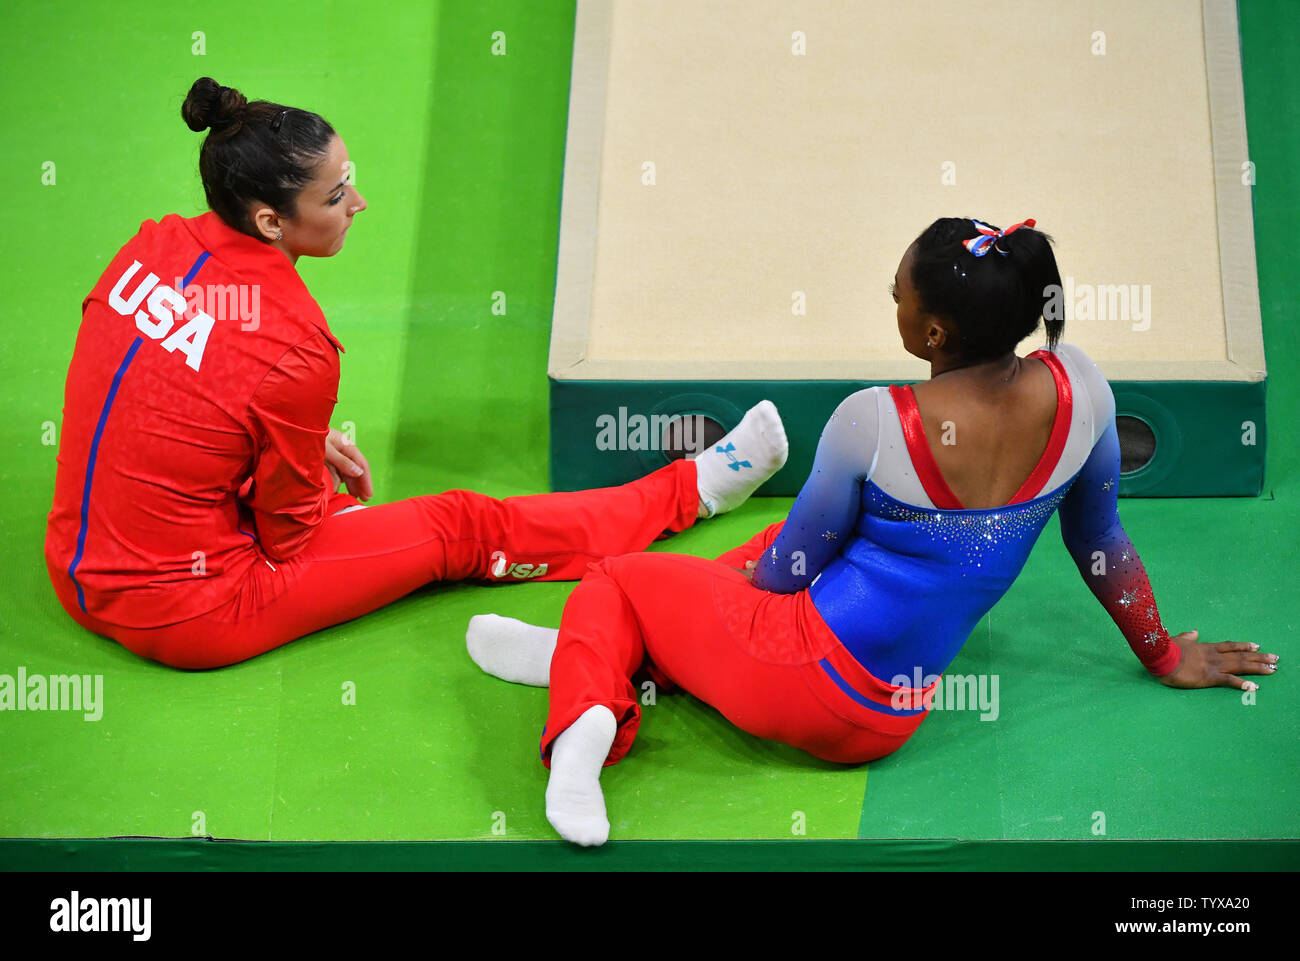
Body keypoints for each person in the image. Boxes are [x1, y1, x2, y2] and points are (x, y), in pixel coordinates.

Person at [467, 217, 1280, 847]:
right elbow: (1101, 542)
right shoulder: (1087, 392)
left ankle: (584, 723)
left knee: (619, 579)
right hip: (891, 711)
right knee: (728, 572)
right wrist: (1164, 651)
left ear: (932, 335)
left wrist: (724, 597)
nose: (891, 296)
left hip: (798, 676)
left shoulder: (874, 421)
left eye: (898, 292)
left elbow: (787, 573)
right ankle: (607, 648)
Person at [43, 77, 790, 670]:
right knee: (456, 525)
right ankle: (690, 492)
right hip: (191, 607)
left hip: (76, 564)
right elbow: (288, 534)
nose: (358, 204)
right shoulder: (296, 342)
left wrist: (284, 436)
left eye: (351, 181)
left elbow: (150, 386)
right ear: (271, 222)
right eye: (335, 197)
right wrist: (296, 455)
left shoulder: (152, 245)